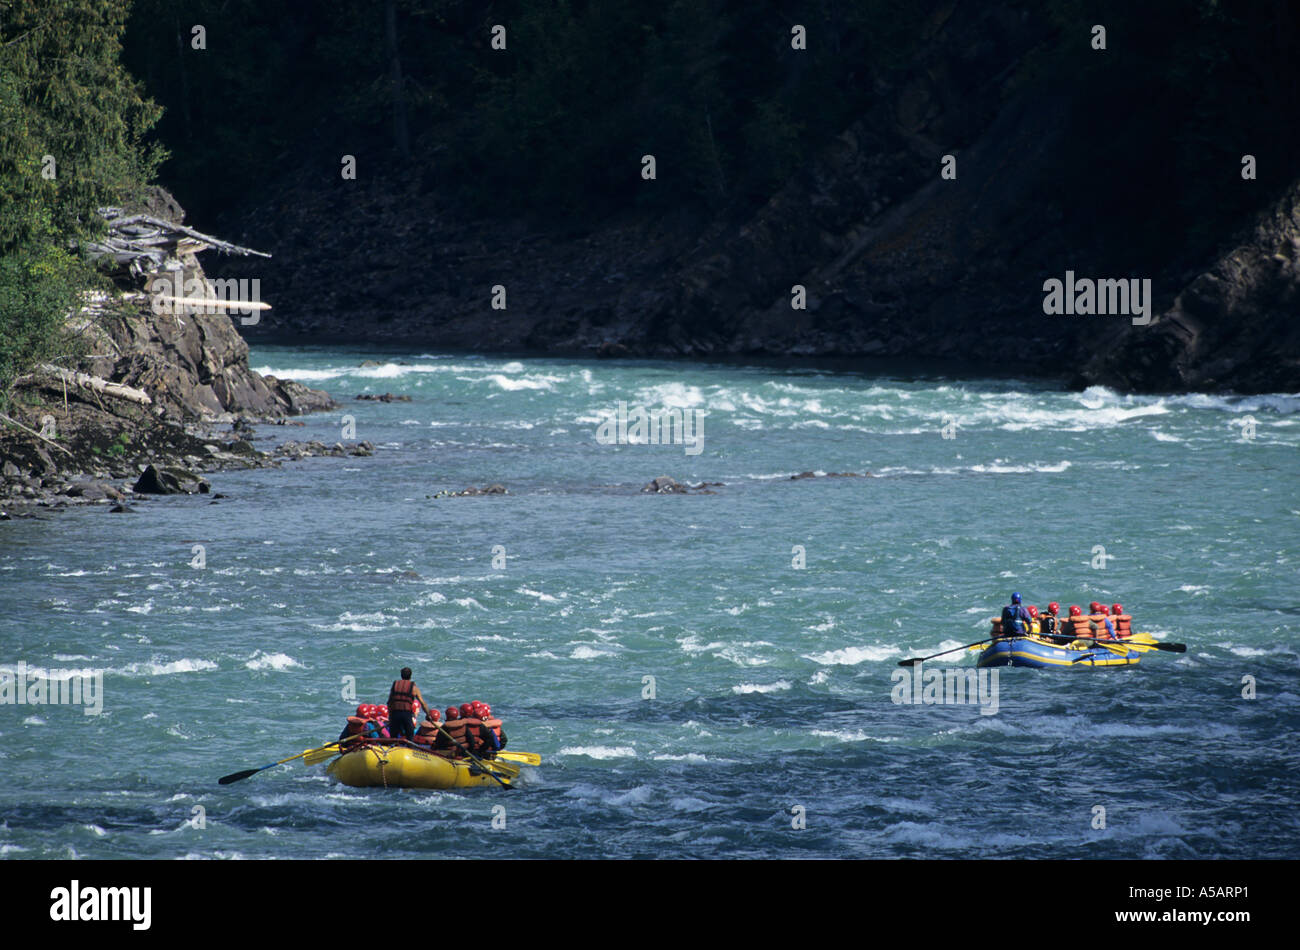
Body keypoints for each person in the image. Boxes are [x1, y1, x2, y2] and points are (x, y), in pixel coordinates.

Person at [386, 668, 430, 743]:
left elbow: (389, 702)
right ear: (410, 676)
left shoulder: (395, 685)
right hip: (406, 714)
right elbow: (422, 703)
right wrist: (428, 714)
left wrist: (390, 716)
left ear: (401, 675)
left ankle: (392, 749)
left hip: (395, 713)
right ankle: (410, 747)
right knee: (410, 736)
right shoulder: (414, 687)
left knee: (393, 736)